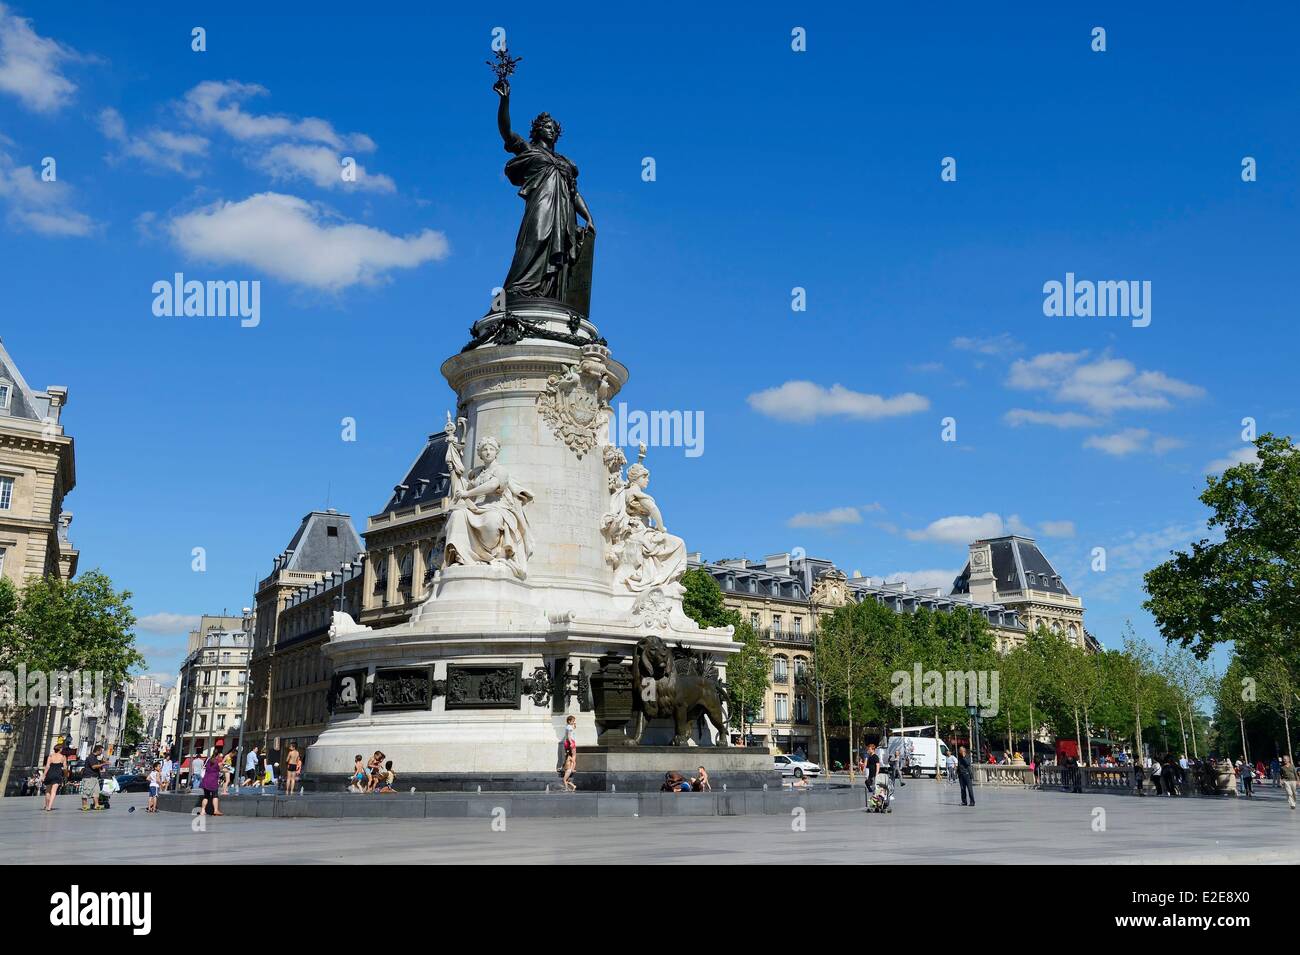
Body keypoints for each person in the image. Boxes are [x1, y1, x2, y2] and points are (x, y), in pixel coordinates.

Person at [41, 744, 69, 811]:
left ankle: (46, 805)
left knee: (48, 791)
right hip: (57, 774)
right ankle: (49, 807)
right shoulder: (63, 757)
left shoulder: (50, 756)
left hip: (50, 774)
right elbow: (65, 767)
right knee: (53, 792)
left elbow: (47, 766)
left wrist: (44, 775)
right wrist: (65, 775)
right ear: (60, 749)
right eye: (61, 749)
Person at [199, 747, 224, 816]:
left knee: (206, 796)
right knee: (215, 796)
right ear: (218, 754)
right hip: (213, 781)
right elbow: (221, 770)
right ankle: (215, 810)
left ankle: (202, 811)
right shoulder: (217, 762)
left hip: (206, 780)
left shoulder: (208, 760)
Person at [80, 745, 105, 811]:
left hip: (95, 777)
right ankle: (84, 805)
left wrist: (101, 765)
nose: (102, 753)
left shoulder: (95, 758)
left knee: (96, 792)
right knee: (87, 791)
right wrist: (103, 764)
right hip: (89, 777)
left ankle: (96, 805)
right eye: (101, 751)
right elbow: (93, 766)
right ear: (98, 750)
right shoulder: (90, 757)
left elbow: (97, 767)